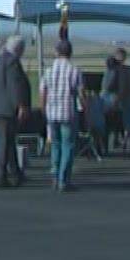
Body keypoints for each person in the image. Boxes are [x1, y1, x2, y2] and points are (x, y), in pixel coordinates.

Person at [0, 35, 31, 188]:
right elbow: (14, 86)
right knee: (5, 143)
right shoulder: (12, 62)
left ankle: (16, 172)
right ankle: (1, 176)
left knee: (8, 142)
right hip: (6, 109)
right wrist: (21, 105)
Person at [39, 39, 83, 192]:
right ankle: (64, 179)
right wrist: (85, 108)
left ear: (57, 52)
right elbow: (80, 93)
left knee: (55, 145)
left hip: (52, 112)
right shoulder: (74, 70)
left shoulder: (49, 71)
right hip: (67, 112)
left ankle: (55, 175)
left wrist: (43, 108)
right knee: (68, 146)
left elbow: (43, 91)